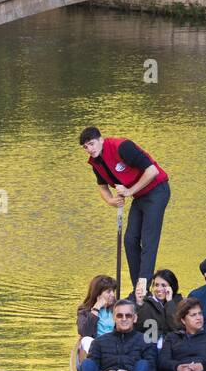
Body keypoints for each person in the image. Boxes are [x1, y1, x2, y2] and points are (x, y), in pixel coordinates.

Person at [79, 126, 171, 299]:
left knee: (148, 239)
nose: (89, 149)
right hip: (140, 196)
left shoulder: (122, 147)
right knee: (129, 240)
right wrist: (110, 200)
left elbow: (152, 171)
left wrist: (129, 191)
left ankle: (142, 287)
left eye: (91, 144)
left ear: (101, 140)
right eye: (85, 147)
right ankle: (139, 290)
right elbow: (102, 186)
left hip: (157, 190)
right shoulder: (96, 162)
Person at [78, 299, 157, 371]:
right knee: (87, 363)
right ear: (114, 318)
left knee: (143, 364)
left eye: (128, 316)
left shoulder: (146, 341)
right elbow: (92, 369)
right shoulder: (99, 342)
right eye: (119, 316)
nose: (124, 319)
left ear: (135, 318)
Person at [133, 269, 182, 347]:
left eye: (163, 285)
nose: (159, 289)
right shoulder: (147, 303)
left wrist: (169, 302)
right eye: (156, 285)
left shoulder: (179, 303)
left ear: (171, 287)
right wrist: (139, 304)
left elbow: (177, 327)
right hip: (150, 347)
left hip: (172, 347)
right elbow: (138, 328)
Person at [76, 274, 117, 355]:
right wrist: (96, 308)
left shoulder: (117, 308)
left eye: (113, 291)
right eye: (108, 291)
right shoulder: (84, 311)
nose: (112, 295)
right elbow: (85, 333)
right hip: (96, 347)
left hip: (114, 345)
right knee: (86, 340)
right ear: (98, 294)